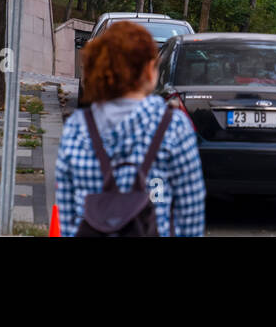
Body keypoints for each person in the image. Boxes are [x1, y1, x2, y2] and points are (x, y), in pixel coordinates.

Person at [56, 21, 205, 236]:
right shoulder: (173, 127)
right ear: (149, 70)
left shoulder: (77, 128)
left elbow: (67, 217)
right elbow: (190, 213)